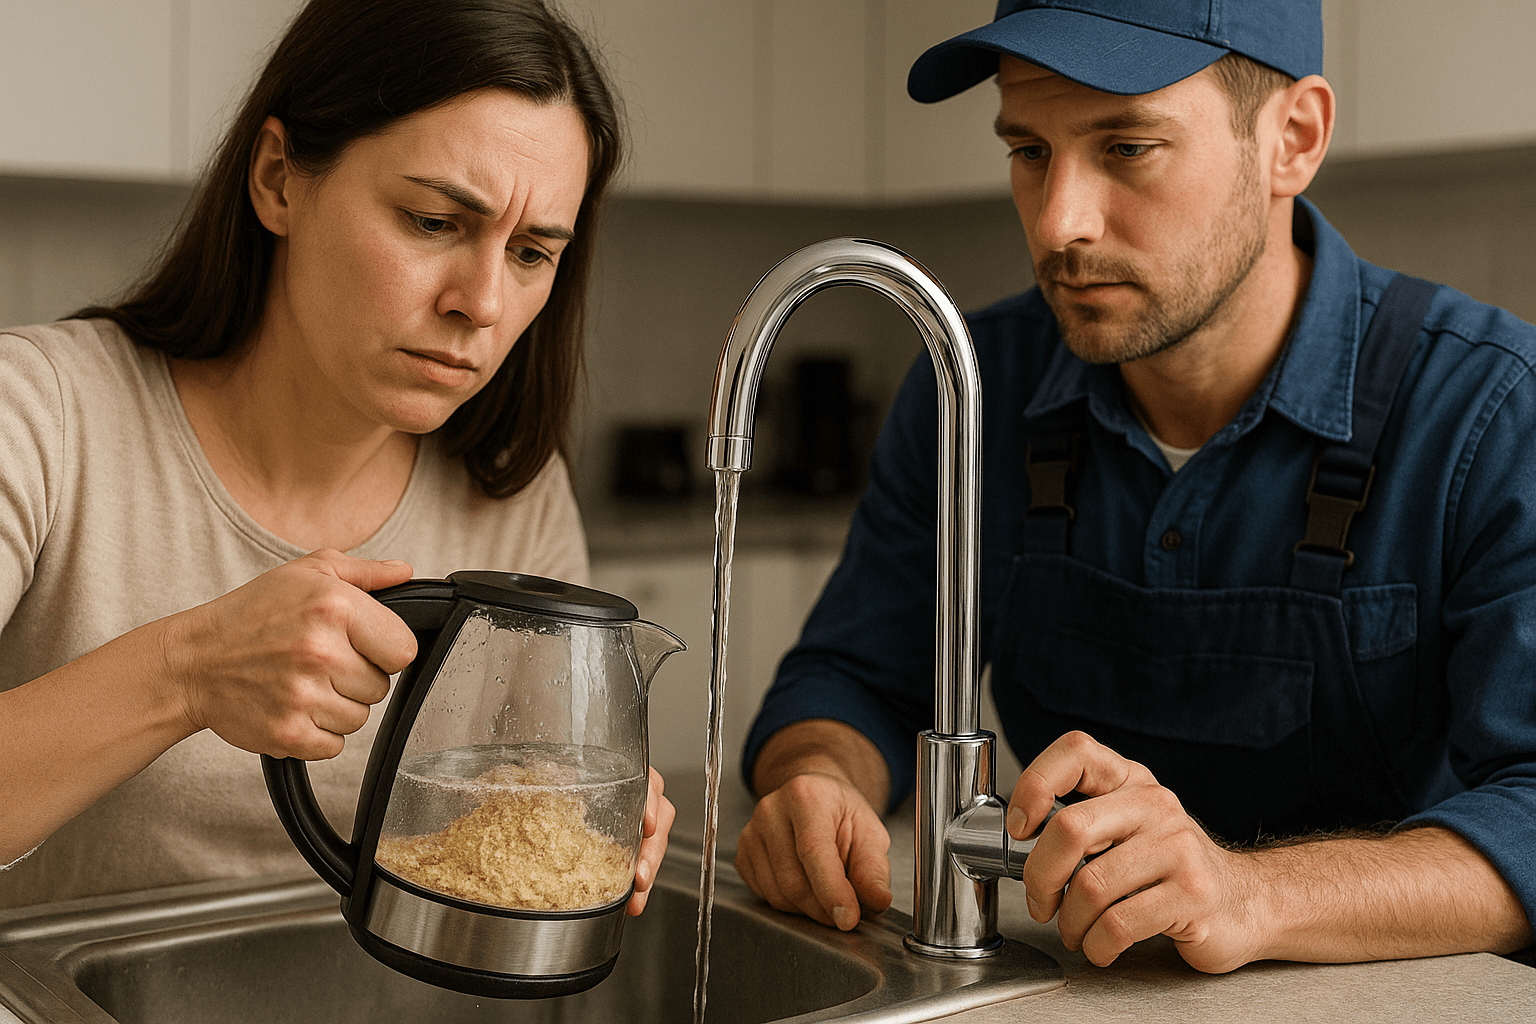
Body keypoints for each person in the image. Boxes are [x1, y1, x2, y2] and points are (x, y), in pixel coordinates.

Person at [735, 0, 1536, 973]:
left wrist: (1256, 893)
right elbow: (851, 678)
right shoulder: (970, 385)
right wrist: (815, 778)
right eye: (1029, 151)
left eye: (1127, 147)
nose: (1061, 220)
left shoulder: (1490, 412)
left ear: (1294, 138)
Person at [0, 0, 674, 914]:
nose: (480, 301)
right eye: (434, 221)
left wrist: (582, 827)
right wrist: (189, 669)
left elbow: (511, 824)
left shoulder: (514, 494)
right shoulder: (37, 415)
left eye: (529, 251)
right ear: (279, 179)